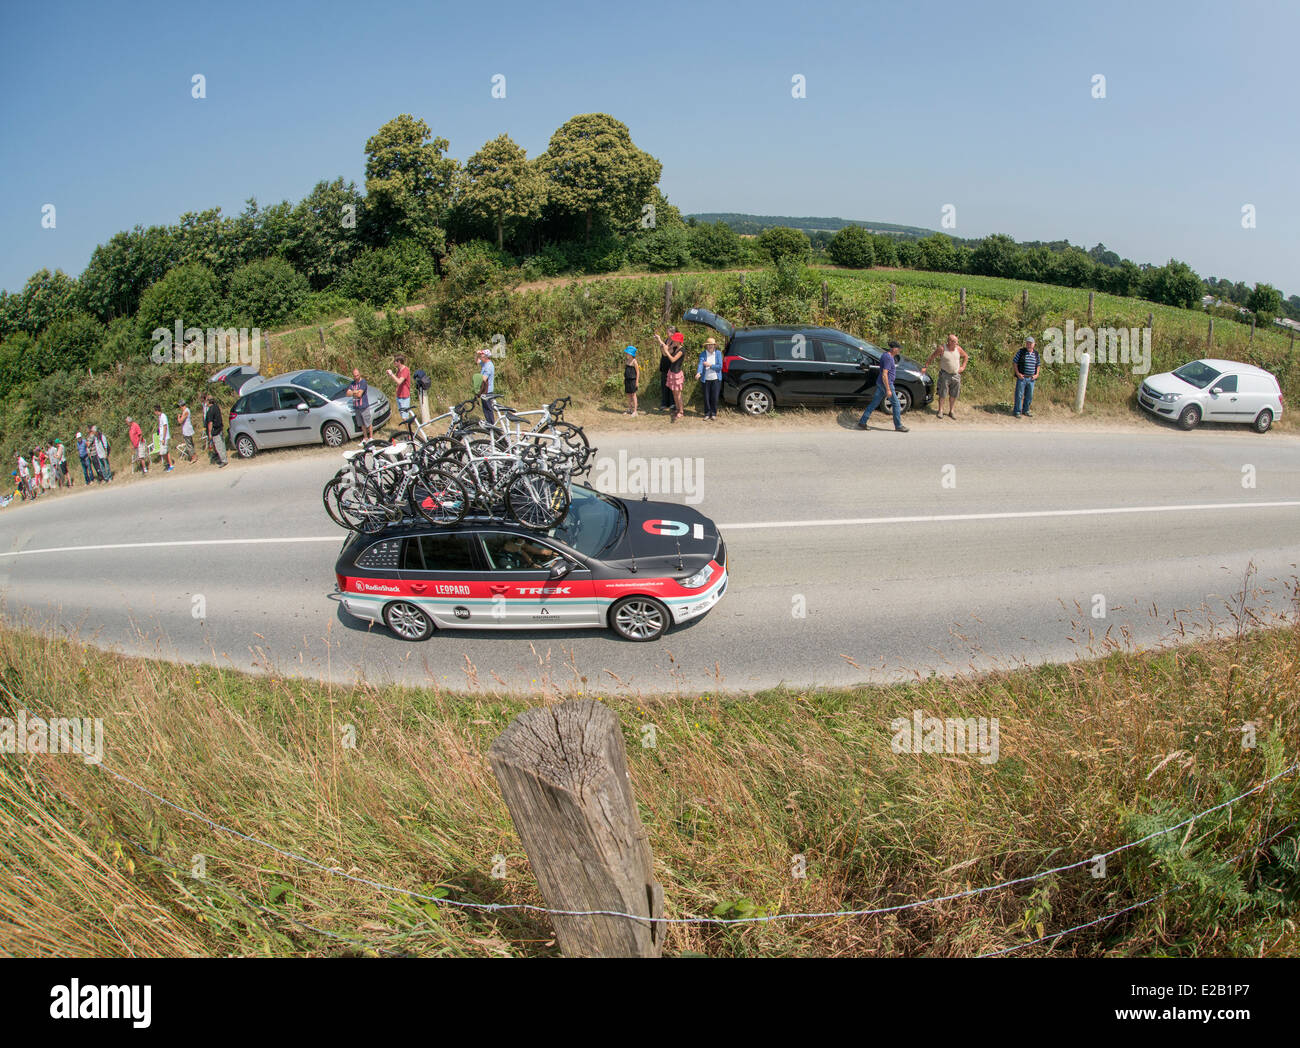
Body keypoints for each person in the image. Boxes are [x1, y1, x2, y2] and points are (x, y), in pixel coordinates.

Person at [855, 340, 910, 432]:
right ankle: (898, 425)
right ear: (894, 349)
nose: (899, 351)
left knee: (874, 403)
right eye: (898, 349)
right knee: (896, 404)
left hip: (881, 383)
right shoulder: (888, 358)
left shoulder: (885, 355)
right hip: (886, 384)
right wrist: (888, 389)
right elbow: (885, 374)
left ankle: (862, 421)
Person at [924, 334, 968, 420]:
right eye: (955, 341)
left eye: (956, 341)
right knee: (942, 393)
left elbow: (965, 356)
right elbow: (932, 357)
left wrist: (963, 367)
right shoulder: (942, 348)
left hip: (956, 375)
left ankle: (951, 411)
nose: (957, 343)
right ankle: (940, 410)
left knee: (954, 394)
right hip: (945, 374)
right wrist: (926, 365)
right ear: (950, 342)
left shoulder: (958, 349)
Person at [1012, 335, 1040, 418]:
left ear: (1034, 344)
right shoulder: (1021, 352)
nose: (1029, 345)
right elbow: (1015, 362)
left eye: (1030, 343)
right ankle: (1017, 411)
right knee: (1019, 395)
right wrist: (1017, 373)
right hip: (1022, 377)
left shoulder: (1036, 354)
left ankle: (1026, 410)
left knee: (1029, 395)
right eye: (1027, 343)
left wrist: (1037, 374)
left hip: (1031, 378)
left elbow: (1038, 365)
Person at [696, 337, 724, 420]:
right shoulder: (703, 354)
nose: (710, 346)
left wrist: (710, 365)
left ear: (714, 345)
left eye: (712, 344)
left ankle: (714, 413)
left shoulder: (718, 353)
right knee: (706, 397)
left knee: (714, 397)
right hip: (706, 379)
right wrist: (699, 372)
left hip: (716, 379)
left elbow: (720, 367)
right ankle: (707, 413)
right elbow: (701, 364)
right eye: (708, 345)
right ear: (706, 346)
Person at [346, 368, 373, 440]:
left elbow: (359, 394)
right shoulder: (352, 383)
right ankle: (365, 437)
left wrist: (353, 392)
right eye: (354, 376)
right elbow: (347, 393)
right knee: (361, 424)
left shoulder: (363, 382)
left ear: (359, 374)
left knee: (368, 422)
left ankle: (371, 437)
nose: (356, 377)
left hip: (363, 406)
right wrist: (355, 392)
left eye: (357, 375)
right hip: (356, 406)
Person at [386, 354, 413, 425]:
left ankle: (409, 435)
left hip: (405, 397)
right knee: (403, 417)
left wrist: (392, 374)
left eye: (395, 361)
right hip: (399, 396)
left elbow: (399, 381)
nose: (394, 362)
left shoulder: (405, 370)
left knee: (405, 418)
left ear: (399, 362)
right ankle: (408, 434)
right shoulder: (399, 370)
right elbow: (397, 382)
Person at [204, 393, 228, 467]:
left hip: (215, 430)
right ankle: (224, 458)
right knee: (222, 444)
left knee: (218, 445)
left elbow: (210, 423)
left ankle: (224, 460)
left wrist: (210, 433)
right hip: (220, 428)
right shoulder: (216, 407)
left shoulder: (210, 410)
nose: (205, 403)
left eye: (206, 401)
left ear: (208, 401)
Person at [474, 347, 496, 424]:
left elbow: (484, 379)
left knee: (488, 409)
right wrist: (477, 354)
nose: (480, 357)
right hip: (484, 391)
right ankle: (489, 423)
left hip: (488, 391)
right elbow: (477, 361)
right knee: (485, 409)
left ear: (486, 357)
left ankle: (491, 424)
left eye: (482, 356)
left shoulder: (489, 366)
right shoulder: (485, 363)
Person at [621, 345, 641, 415]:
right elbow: (626, 370)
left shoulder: (634, 362)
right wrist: (624, 379)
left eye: (627, 353)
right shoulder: (627, 361)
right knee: (628, 395)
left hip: (633, 380)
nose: (626, 354)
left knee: (633, 395)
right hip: (627, 380)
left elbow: (638, 372)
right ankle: (629, 408)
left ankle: (635, 411)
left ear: (631, 354)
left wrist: (637, 382)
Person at [154, 406, 174, 472]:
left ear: (157, 411)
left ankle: (170, 465)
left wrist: (163, 438)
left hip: (164, 437)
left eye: (155, 411)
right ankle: (169, 464)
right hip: (161, 437)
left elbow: (165, 427)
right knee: (164, 452)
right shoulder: (160, 417)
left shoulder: (163, 416)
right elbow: (161, 427)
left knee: (164, 452)